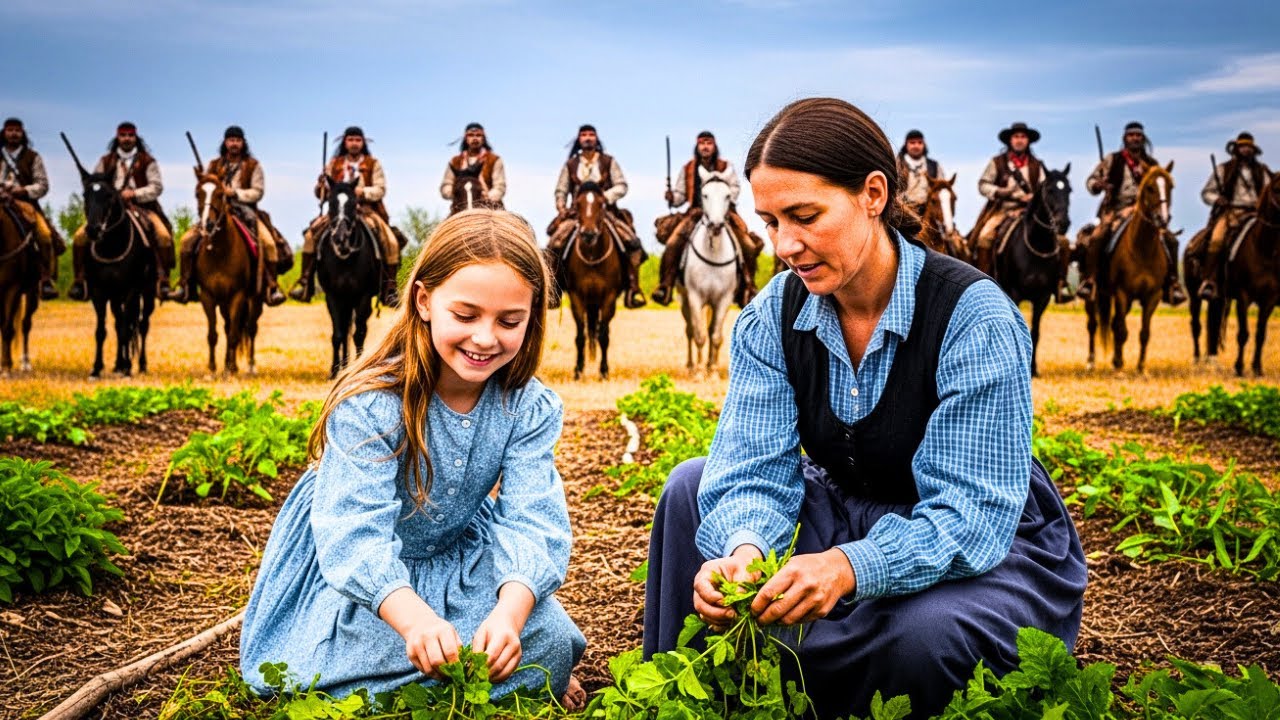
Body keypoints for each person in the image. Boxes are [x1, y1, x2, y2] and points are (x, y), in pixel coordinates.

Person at [642, 98, 1086, 720]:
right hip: (849, 508)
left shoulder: (973, 317)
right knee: (690, 488)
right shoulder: (773, 315)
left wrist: (849, 568)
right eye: (770, 222)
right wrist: (745, 552)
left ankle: (825, 667)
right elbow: (751, 466)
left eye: (805, 216)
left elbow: (970, 515)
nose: (785, 245)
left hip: (980, 542)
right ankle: (689, 701)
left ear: (873, 194)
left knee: (921, 638)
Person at [240, 209, 587, 709]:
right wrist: (416, 622)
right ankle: (461, 679)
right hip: (364, 579)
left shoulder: (527, 407)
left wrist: (509, 617)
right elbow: (354, 537)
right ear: (424, 300)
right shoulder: (372, 404)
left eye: (509, 321)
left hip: (457, 558)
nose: (485, 338)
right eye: (465, 316)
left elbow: (533, 520)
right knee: (310, 669)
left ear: (532, 316)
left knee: (550, 640)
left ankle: (484, 671)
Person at [170, 126, 286, 305]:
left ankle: (271, 286)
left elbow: (258, 192)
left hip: (245, 210)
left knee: (269, 243)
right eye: (231, 140)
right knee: (186, 240)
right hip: (216, 211)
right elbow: (206, 187)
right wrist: (204, 179)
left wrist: (234, 193)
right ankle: (185, 285)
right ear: (225, 142)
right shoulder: (214, 164)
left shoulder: (253, 165)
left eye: (238, 140)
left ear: (243, 143)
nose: (234, 144)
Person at [1076, 122, 1186, 304]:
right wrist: (1098, 184)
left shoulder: (1152, 164)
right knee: (1097, 237)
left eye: (1138, 135)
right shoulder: (1112, 159)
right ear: (1125, 138)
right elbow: (1091, 181)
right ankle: (1090, 280)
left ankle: (1172, 284)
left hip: (1146, 213)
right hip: (1116, 210)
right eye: (1131, 135)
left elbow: (1161, 189)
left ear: (1143, 138)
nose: (1135, 138)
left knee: (1171, 240)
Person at [292, 126, 402, 307]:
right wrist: (321, 186)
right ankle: (305, 282)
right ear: (345, 142)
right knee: (311, 236)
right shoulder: (334, 164)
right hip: (337, 212)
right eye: (351, 140)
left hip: (366, 210)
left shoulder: (373, 163)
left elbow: (380, 189)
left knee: (391, 241)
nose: (354, 143)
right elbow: (321, 193)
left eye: (358, 140)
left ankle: (390, 288)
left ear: (363, 142)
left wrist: (362, 192)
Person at [652, 130, 763, 307]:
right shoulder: (688, 168)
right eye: (702, 143)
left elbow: (734, 188)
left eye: (709, 143)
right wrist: (673, 197)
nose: (705, 147)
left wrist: (723, 202)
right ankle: (665, 285)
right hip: (695, 213)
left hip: (725, 214)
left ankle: (749, 286)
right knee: (673, 243)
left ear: (714, 146)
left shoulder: (726, 166)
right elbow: (680, 195)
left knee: (748, 245)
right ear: (697, 146)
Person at [69, 122, 174, 301]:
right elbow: (95, 183)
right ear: (117, 137)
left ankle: (162, 279)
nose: (127, 139)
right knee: (80, 236)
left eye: (130, 135)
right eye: (123, 135)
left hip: (143, 207)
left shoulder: (147, 161)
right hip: (108, 210)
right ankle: (80, 281)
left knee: (163, 236)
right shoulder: (105, 161)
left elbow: (156, 187)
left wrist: (134, 193)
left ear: (135, 138)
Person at [544, 125, 647, 308]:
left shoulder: (608, 161)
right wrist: (561, 206)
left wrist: (603, 198)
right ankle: (553, 289)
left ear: (597, 138)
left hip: (605, 212)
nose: (588, 138)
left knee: (632, 242)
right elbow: (561, 190)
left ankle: (633, 288)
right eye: (584, 135)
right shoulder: (571, 164)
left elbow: (622, 185)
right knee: (554, 244)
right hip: (577, 214)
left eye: (591, 134)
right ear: (579, 139)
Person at [1197, 132, 1272, 299]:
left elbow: (1270, 192)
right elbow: (1206, 193)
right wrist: (1218, 200)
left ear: (1254, 150)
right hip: (1231, 212)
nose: (1246, 150)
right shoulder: (1223, 169)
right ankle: (1209, 280)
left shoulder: (1262, 171)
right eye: (1243, 147)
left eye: (1249, 147)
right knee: (1216, 239)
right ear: (1236, 149)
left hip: (1256, 214)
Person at [0, 117, 61, 299]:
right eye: (10, 130)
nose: (13, 134)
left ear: (23, 133)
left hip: (25, 203)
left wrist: (24, 190)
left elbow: (43, 185)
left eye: (17, 131)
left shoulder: (33, 157)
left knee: (45, 235)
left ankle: (45, 279)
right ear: (4, 132)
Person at [440, 123, 507, 210]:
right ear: (466, 138)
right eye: (471, 135)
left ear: (483, 138)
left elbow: (500, 187)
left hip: (490, 207)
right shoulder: (455, 161)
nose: (475, 138)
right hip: (460, 207)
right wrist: (455, 193)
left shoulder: (494, 159)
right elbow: (446, 185)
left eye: (478, 135)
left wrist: (487, 197)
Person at [895, 129, 945, 218]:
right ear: (906, 145)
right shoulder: (897, 164)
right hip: (902, 212)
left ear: (924, 145)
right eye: (912, 143)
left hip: (929, 212)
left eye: (919, 143)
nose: (916, 146)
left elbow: (942, 191)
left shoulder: (934, 166)